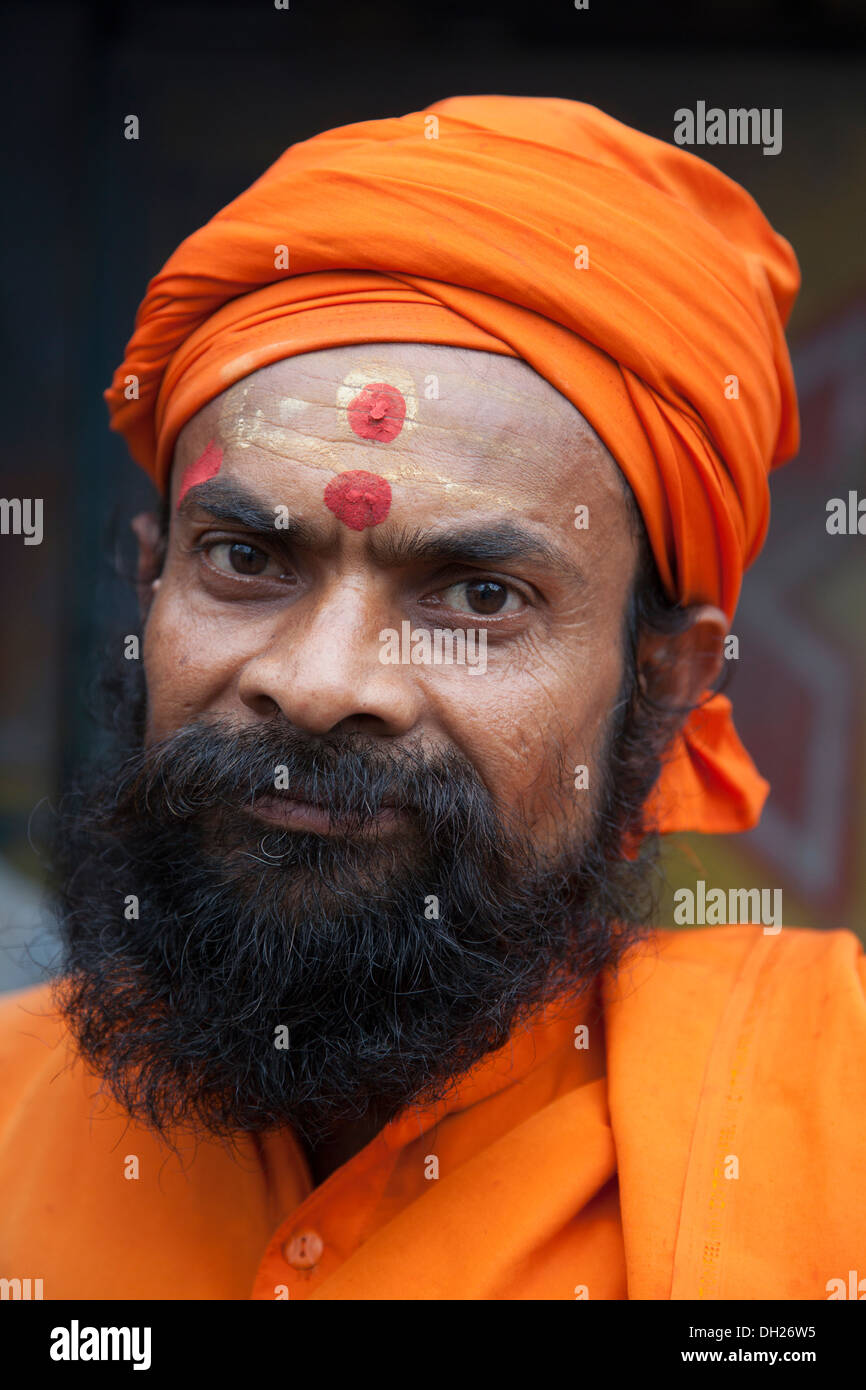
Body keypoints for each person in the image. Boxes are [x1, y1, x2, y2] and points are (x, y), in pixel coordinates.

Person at [1, 95, 863, 1301]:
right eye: (245, 560)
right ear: (148, 576)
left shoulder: (831, 1125)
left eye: (475, 595)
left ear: (664, 680)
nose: (315, 683)